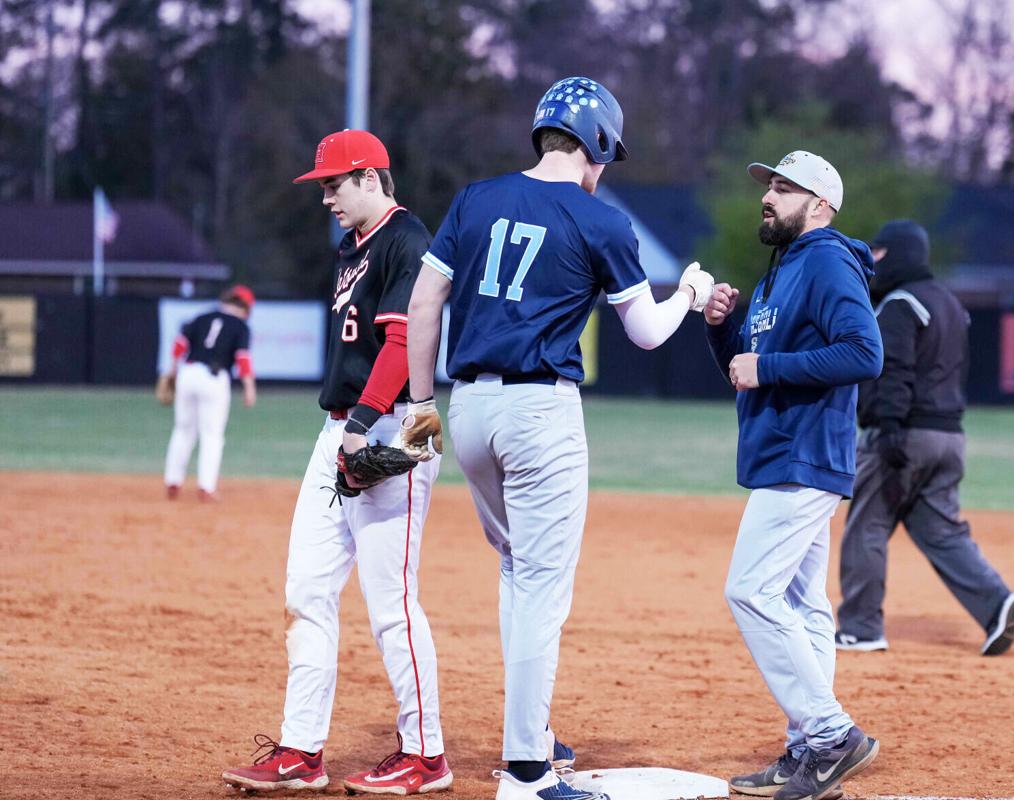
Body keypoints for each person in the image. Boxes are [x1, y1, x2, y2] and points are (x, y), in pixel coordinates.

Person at [401, 76, 714, 800]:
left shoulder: (475, 198)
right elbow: (645, 332)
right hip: (540, 412)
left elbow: (424, 302)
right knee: (543, 587)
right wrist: (691, 294)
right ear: (597, 141)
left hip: (468, 405)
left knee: (516, 570)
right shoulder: (598, 219)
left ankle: (533, 740)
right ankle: (528, 774)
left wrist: (422, 407)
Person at [221, 130, 452, 796]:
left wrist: (357, 428)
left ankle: (427, 756)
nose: (325, 197)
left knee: (392, 604)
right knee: (307, 592)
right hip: (342, 433)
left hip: (392, 428)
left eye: (334, 183)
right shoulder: (353, 248)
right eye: (322, 185)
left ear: (373, 178)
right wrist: (344, 432)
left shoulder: (409, 240)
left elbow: (404, 341)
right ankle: (301, 751)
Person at [704, 150, 883, 800]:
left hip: (806, 456)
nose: (768, 196)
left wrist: (768, 369)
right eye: (769, 186)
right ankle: (808, 751)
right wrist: (721, 331)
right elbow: (746, 368)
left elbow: (865, 352)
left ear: (821, 206)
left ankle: (832, 734)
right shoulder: (779, 273)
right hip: (784, 453)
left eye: (784, 187)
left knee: (749, 590)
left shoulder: (829, 259)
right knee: (804, 607)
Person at [835, 219, 1014, 657]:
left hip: (905, 434)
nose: (874, 263)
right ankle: (997, 604)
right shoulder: (950, 304)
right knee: (941, 531)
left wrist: (889, 429)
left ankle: (861, 627)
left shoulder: (900, 303)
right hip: (950, 437)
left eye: (880, 254)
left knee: (868, 523)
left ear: (900, 254)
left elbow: (895, 371)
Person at [162, 284, 257, 501]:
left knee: (183, 430)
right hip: (214, 377)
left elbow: (179, 344)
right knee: (212, 435)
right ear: (245, 307)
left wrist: (173, 369)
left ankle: (173, 481)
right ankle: (206, 486)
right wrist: (249, 388)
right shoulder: (240, 326)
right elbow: (243, 359)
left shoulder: (202, 317)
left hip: (188, 372)